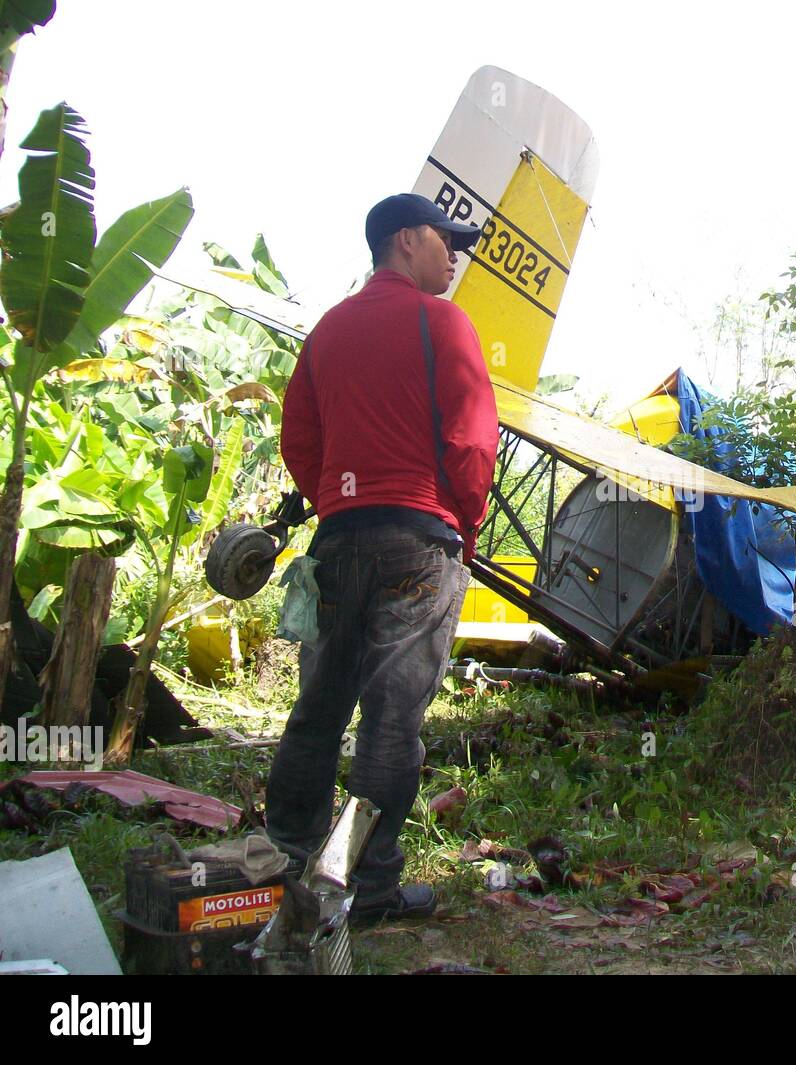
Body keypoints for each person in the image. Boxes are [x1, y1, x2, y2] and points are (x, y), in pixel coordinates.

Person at [266, 193, 499, 923]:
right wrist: (464, 519)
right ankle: (368, 888)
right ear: (406, 241)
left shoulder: (328, 330)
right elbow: (470, 440)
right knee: (392, 718)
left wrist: (337, 498)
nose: (453, 254)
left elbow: (298, 440)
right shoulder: (444, 323)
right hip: (418, 538)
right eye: (444, 239)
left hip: (339, 540)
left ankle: (286, 864)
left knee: (319, 709)